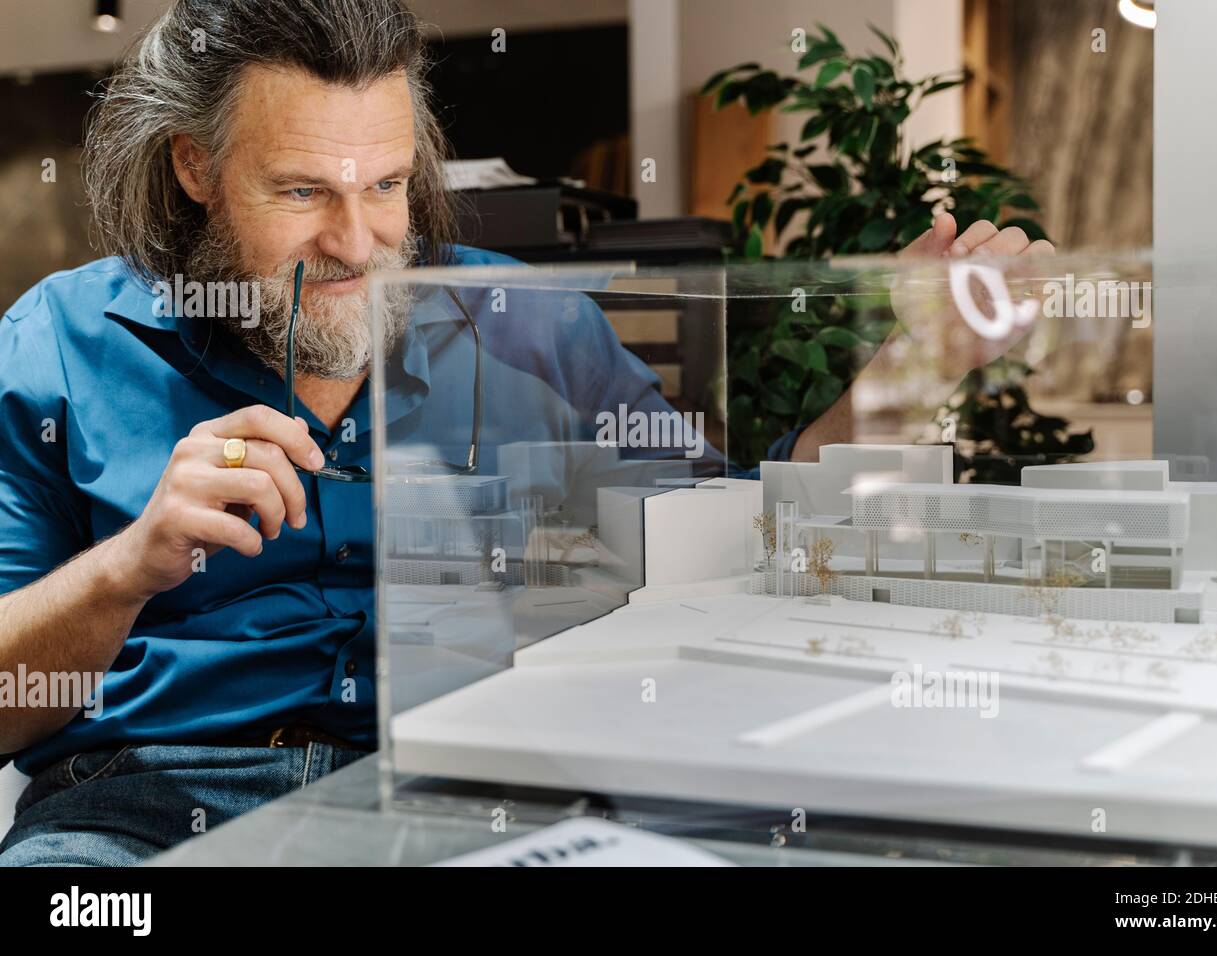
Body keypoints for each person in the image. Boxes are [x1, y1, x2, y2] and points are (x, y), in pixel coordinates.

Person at [0, 0, 1049, 865]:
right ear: (194, 167)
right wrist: (125, 567)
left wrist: (916, 360)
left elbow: (733, 546)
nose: (358, 239)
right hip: (142, 808)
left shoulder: (529, 325)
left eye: (386, 185)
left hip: (477, 781)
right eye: (303, 191)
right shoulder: (54, 344)